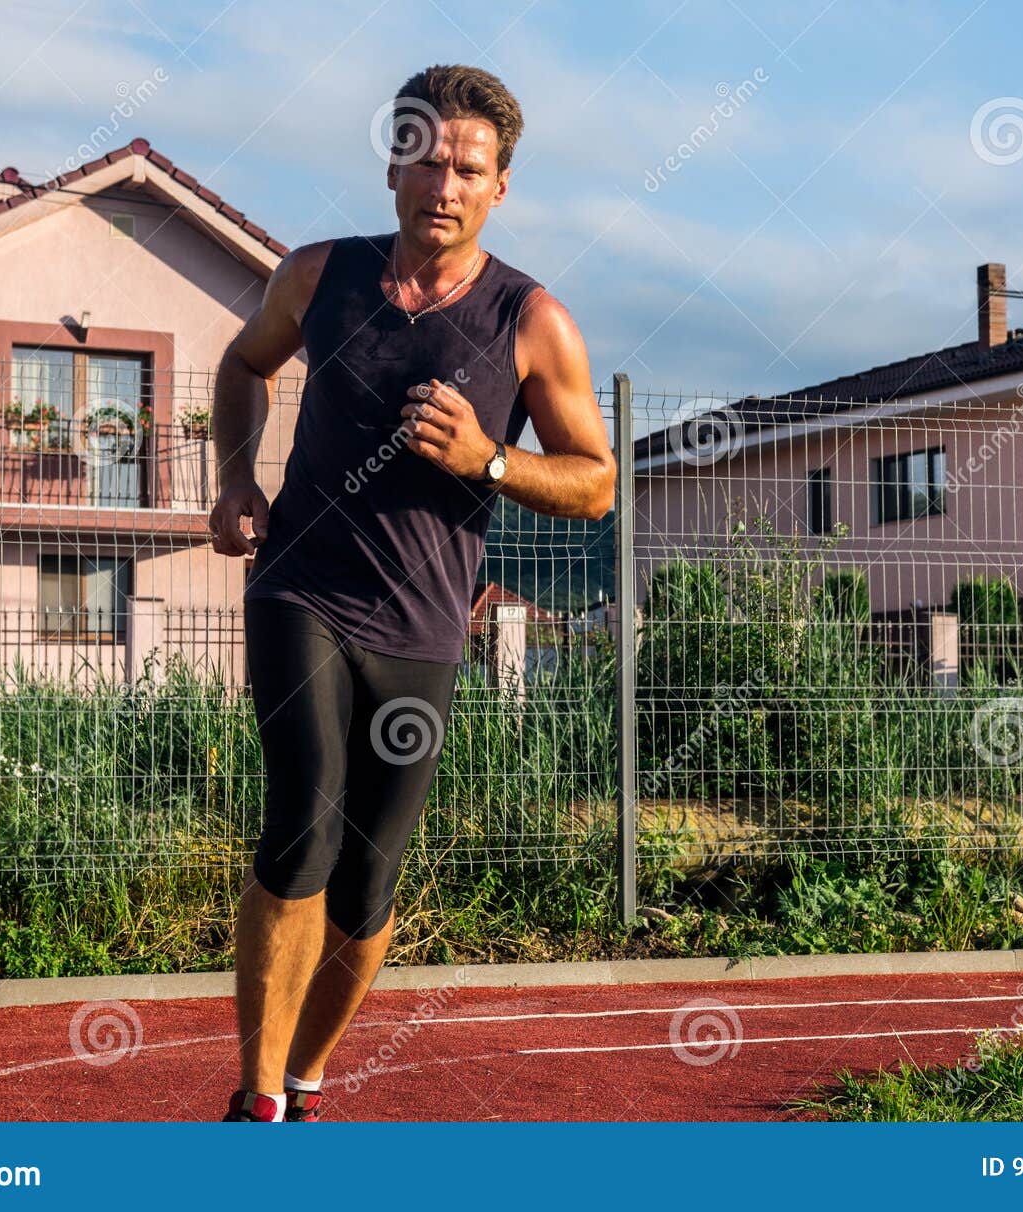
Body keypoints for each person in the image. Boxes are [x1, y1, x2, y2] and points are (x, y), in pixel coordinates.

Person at [206, 63, 615, 1122]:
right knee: (303, 823)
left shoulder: (530, 320)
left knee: (368, 884)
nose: (444, 182)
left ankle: (305, 1074)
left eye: (468, 168)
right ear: (393, 165)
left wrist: (489, 460)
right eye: (426, 159)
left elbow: (596, 484)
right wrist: (235, 477)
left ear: (499, 188)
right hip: (300, 587)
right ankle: (255, 1102)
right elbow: (243, 366)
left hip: (427, 627)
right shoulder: (317, 277)